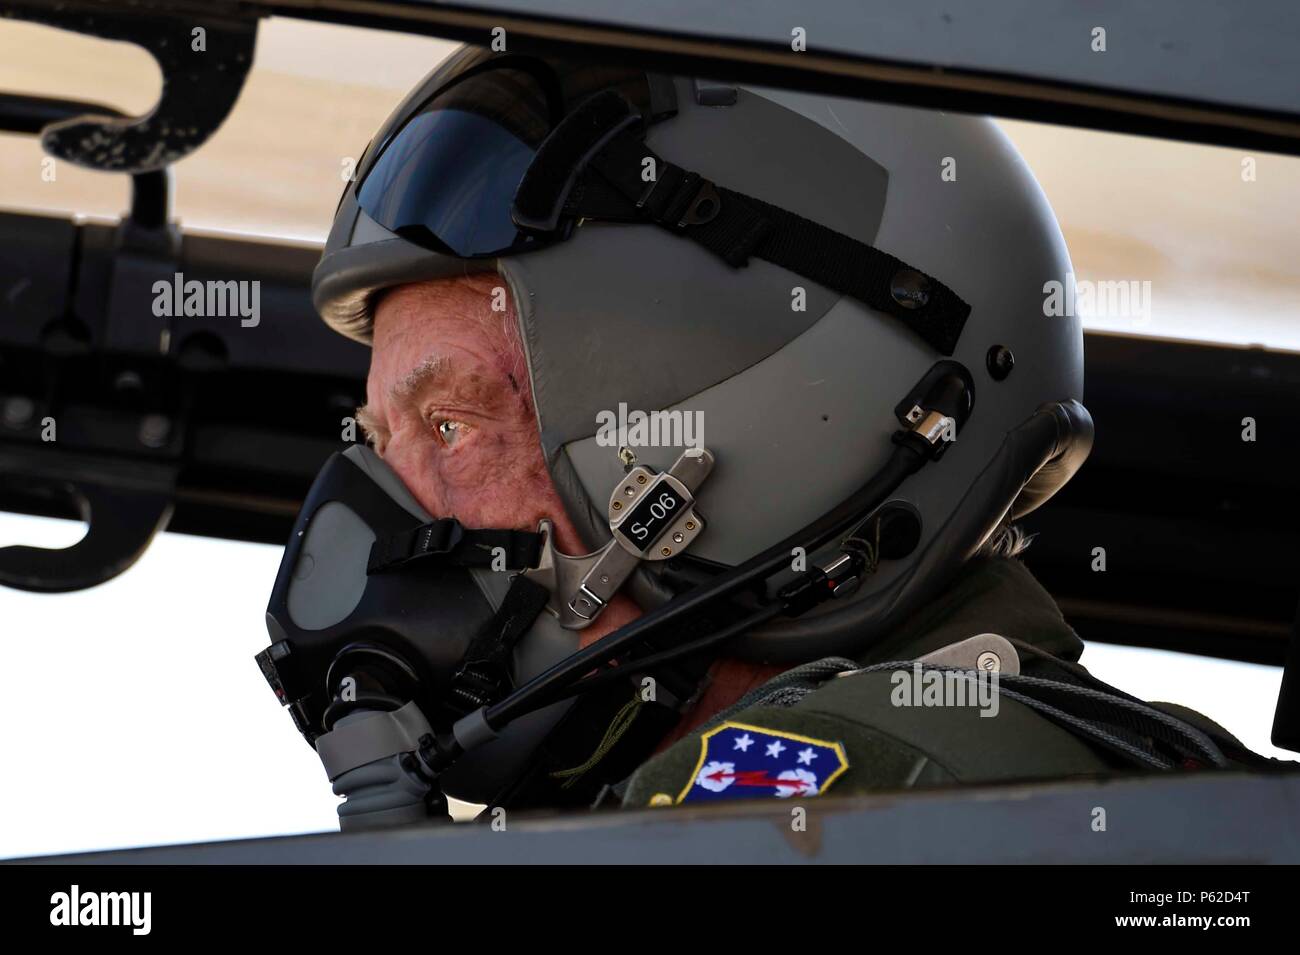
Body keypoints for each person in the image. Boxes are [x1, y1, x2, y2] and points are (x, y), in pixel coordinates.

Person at [259, 45, 1274, 826]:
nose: (381, 519)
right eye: (381, 439)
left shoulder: (832, 793)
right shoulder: (1078, 763)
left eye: (453, 424)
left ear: (759, 440)